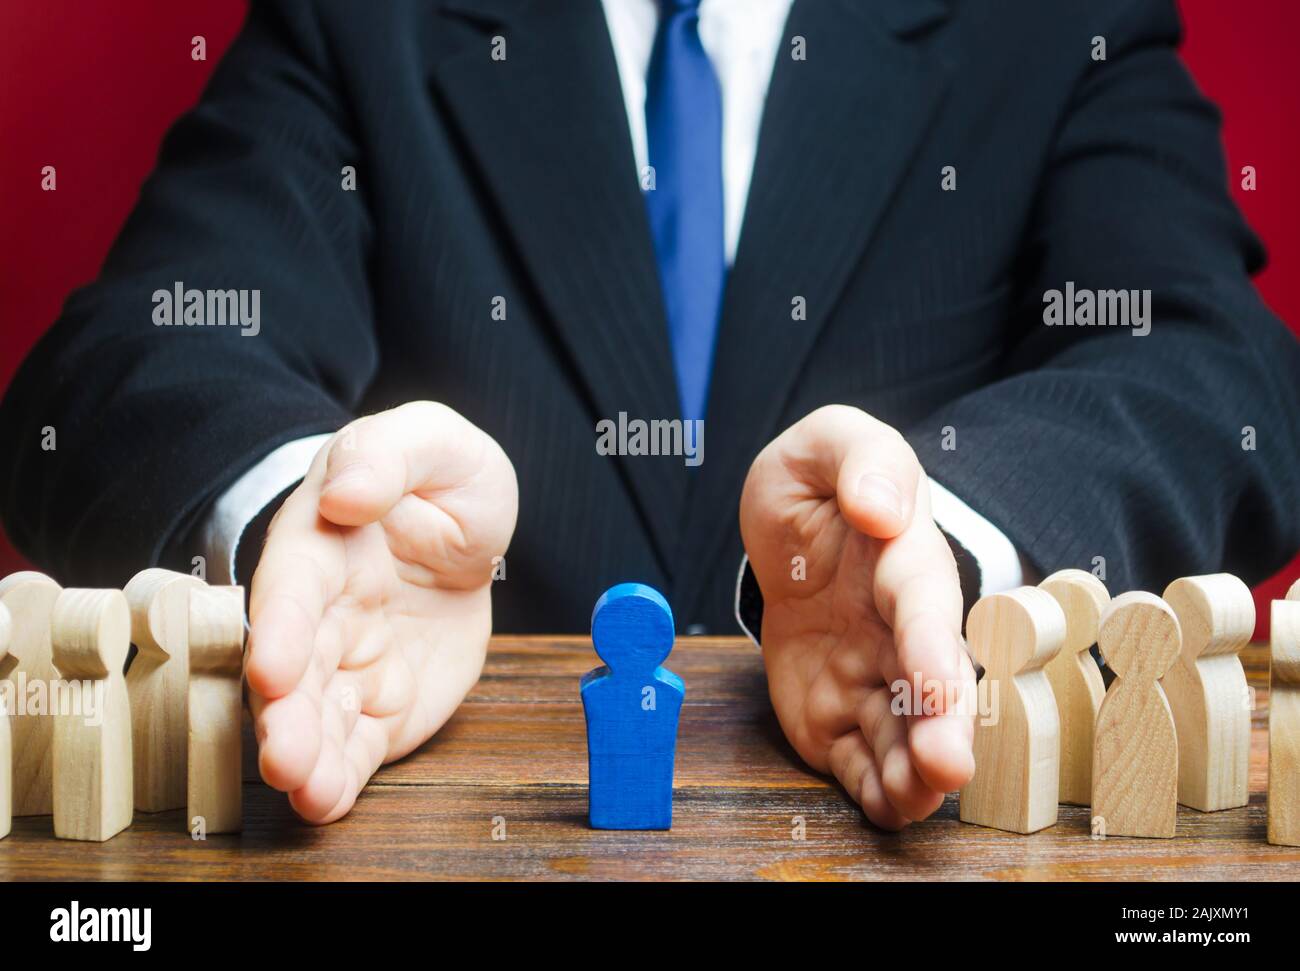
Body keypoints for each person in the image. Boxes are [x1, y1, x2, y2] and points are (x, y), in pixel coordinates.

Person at [2, 0, 1297, 829]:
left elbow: (1216, 364)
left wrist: (949, 550)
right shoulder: (361, 22)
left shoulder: (1056, 23)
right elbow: (131, 353)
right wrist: (306, 512)